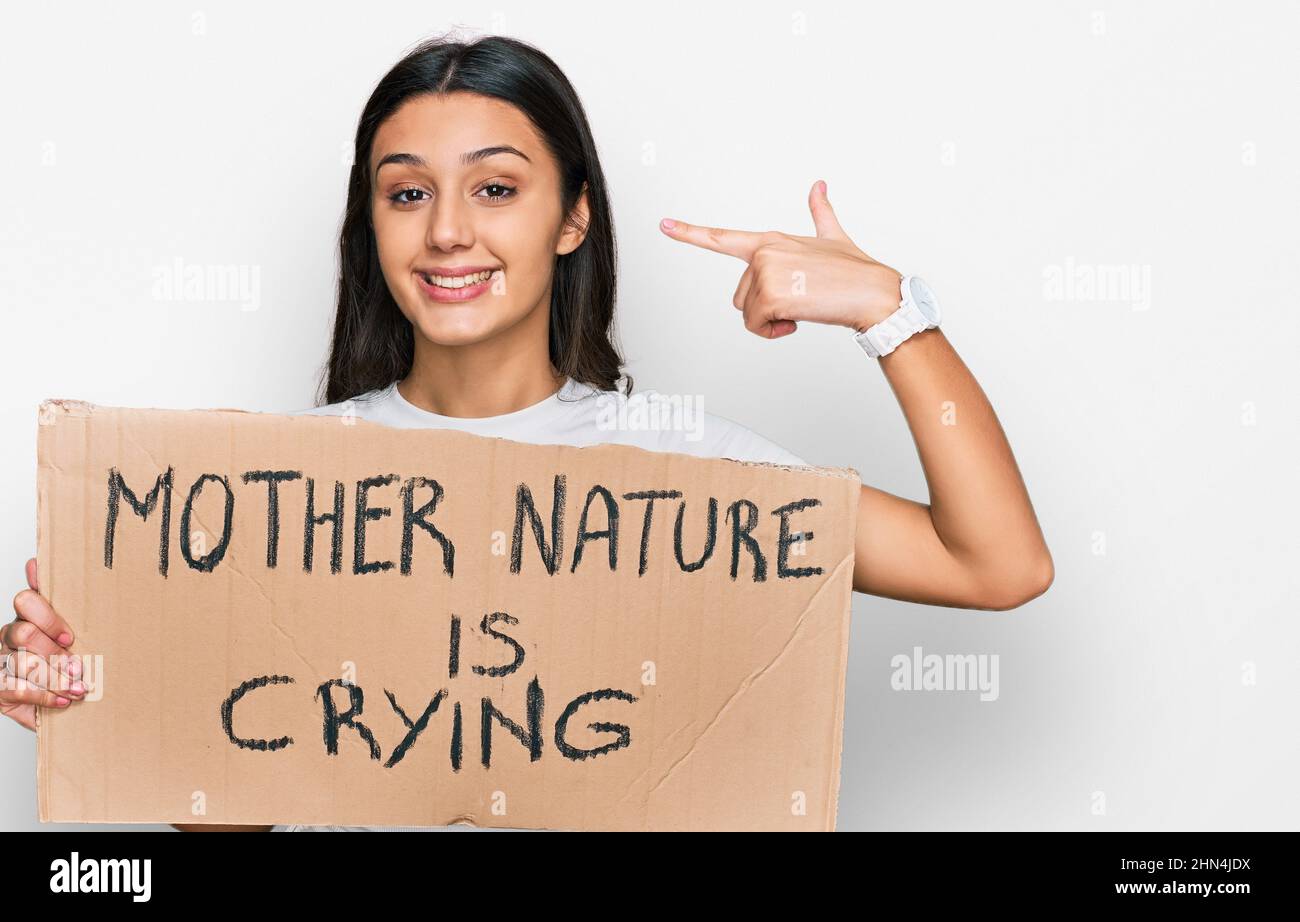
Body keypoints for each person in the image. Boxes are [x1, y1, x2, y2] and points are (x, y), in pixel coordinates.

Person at [2, 33, 1053, 832]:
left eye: (495, 188)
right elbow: (228, 818)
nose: (448, 228)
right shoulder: (273, 500)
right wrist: (116, 702)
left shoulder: (692, 474)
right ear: (373, 224)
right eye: (406, 192)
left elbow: (996, 562)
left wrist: (888, 309)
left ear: (571, 217)